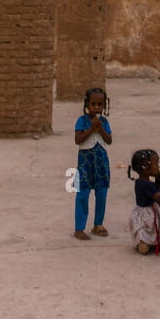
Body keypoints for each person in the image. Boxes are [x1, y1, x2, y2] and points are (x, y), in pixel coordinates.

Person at [72, 87, 112, 240]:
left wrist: (100, 128)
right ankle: (79, 228)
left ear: (104, 106)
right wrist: (91, 128)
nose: (96, 107)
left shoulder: (104, 122)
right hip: (84, 163)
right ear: (87, 104)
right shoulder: (81, 121)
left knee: (102, 193)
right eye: (93, 104)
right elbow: (78, 140)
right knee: (82, 194)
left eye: (100, 104)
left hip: (101, 163)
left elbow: (109, 140)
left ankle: (98, 224)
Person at [128, 148, 160, 255]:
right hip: (150, 214)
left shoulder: (141, 182)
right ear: (146, 168)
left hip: (144, 212)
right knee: (149, 229)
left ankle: (145, 242)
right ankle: (145, 243)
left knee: (146, 230)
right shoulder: (146, 185)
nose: (158, 167)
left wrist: (157, 181)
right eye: (156, 164)